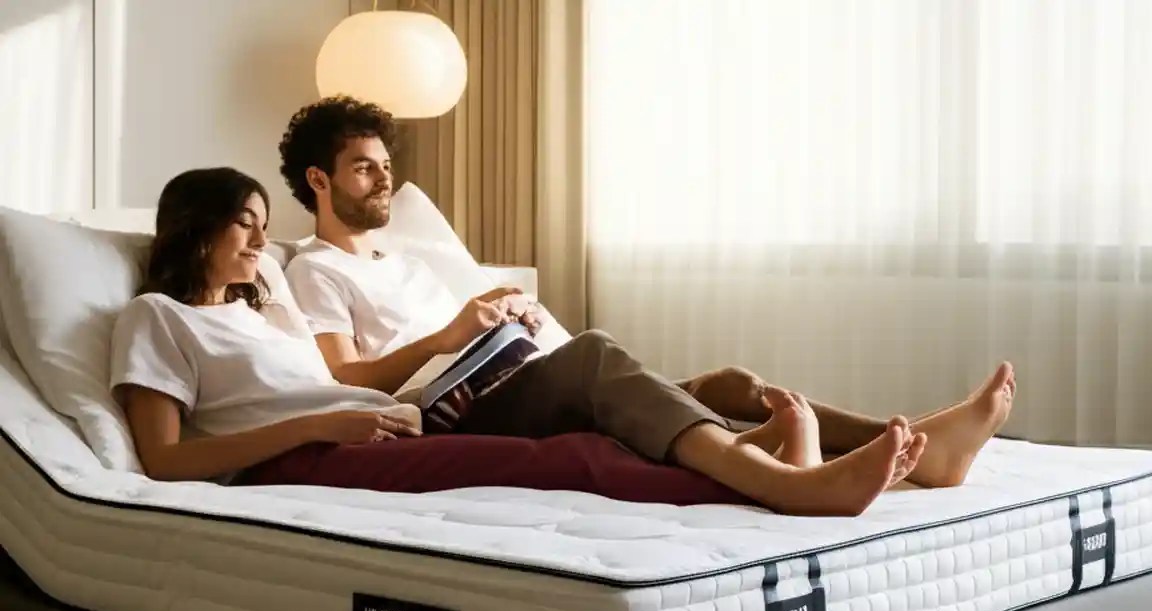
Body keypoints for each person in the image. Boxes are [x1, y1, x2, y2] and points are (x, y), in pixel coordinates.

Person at [278, 96, 1015, 490]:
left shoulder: (400, 259)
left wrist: (503, 314)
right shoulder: (314, 268)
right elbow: (344, 376)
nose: (383, 180)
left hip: (506, 374)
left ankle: (918, 445)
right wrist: (448, 337)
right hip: (452, 412)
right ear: (320, 180)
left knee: (729, 383)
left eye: (383, 166)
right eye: (365, 169)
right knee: (596, 354)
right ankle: (775, 477)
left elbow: (461, 329)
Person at [109, 167, 926, 516]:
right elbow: (164, 459)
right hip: (308, 457)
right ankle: (778, 479)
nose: (260, 244)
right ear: (195, 225)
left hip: (390, 419)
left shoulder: (261, 306)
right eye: (244, 227)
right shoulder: (157, 318)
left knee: (595, 390)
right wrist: (324, 425)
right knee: (563, 457)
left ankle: (769, 461)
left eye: (263, 227)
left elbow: (340, 382)